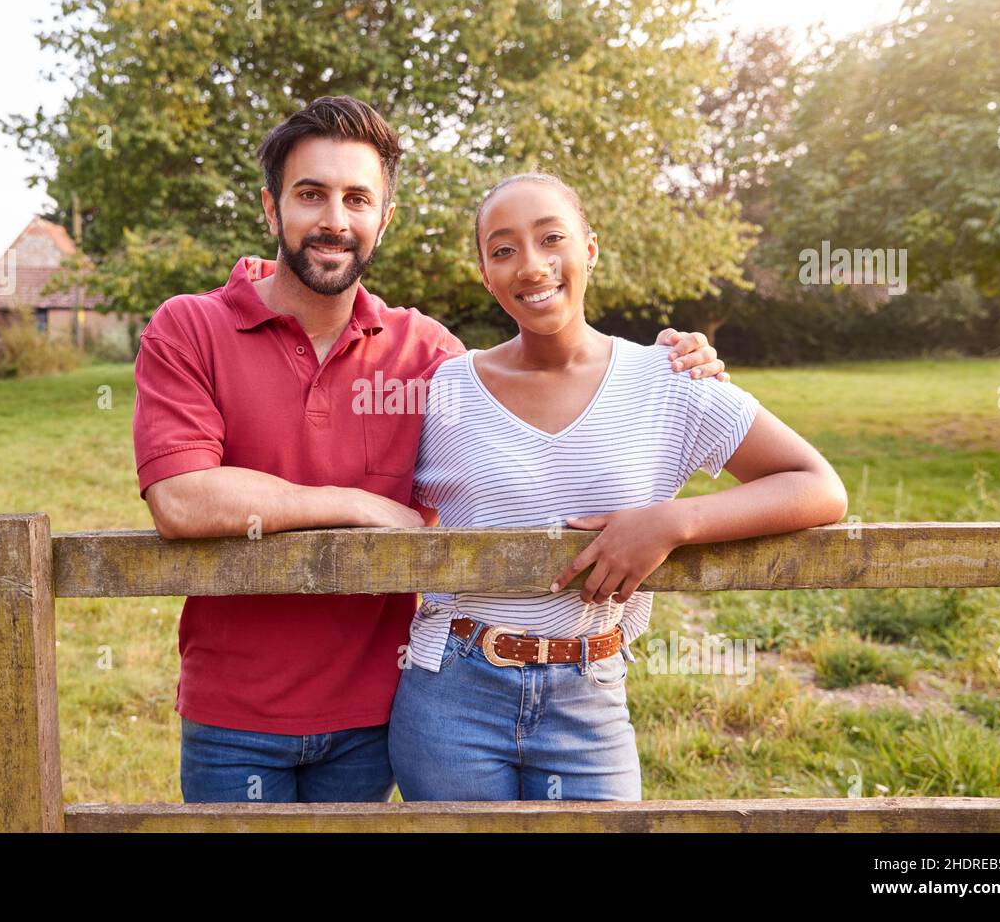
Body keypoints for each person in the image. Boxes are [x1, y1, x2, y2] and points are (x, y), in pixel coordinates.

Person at [132, 96, 728, 804]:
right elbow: (180, 498)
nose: (334, 219)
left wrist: (663, 360)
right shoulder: (189, 328)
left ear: (383, 220)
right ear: (271, 209)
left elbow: (539, 394)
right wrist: (360, 505)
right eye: (310, 194)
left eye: (357, 198)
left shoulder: (427, 354)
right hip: (233, 713)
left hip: (376, 708)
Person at [388, 171, 849, 801]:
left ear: (590, 249)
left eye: (552, 239)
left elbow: (817, 486)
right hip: (452, 693)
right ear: (485, 275)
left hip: (590, 690)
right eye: (503, 250)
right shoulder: (443, 390)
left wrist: (670, 524)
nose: (531, 265)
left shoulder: (668, 377)